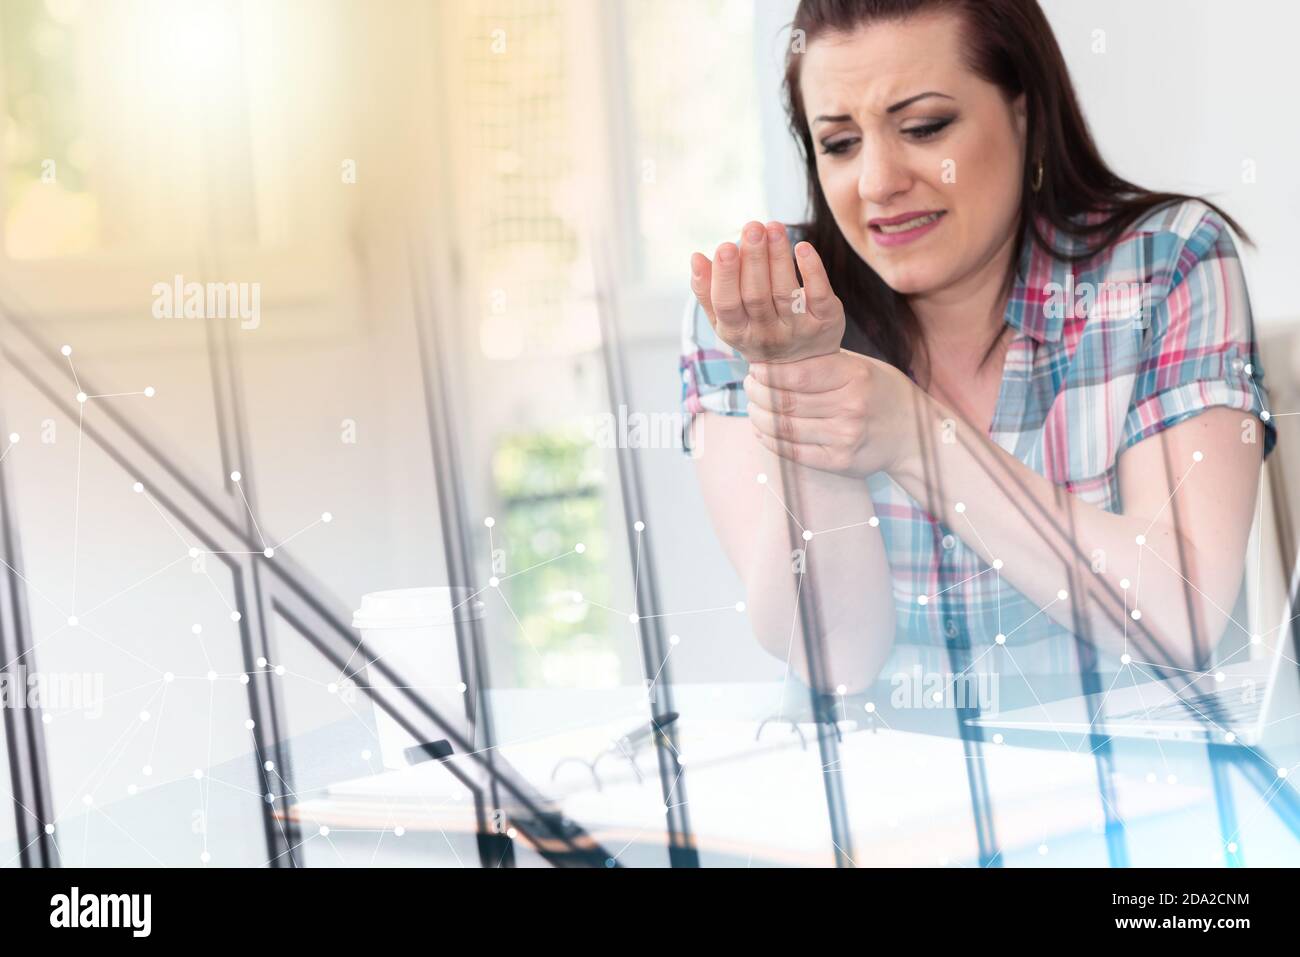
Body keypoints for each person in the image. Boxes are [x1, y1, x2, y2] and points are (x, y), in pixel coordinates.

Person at [680, 0, 1276, 694]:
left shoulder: (1163, 263)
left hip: (1128, 788)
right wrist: (802, 384)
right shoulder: (767, 303)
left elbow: (1182, 615)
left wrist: (915, 437)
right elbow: (834, 659)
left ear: (1023, 109)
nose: (877, 183)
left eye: (924, 127)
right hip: (876, 792)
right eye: (840, 143)